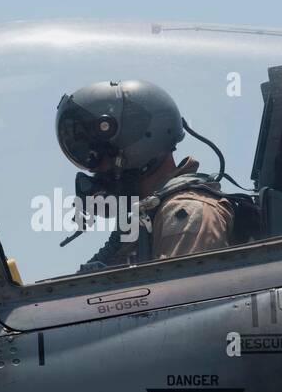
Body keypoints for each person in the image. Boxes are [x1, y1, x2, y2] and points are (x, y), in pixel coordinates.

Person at [55, 80, 233, 271]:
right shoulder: (145, 220)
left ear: (137, 145)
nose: (96, 172)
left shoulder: (185, 213)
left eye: (98, 157)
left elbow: (180, 295)